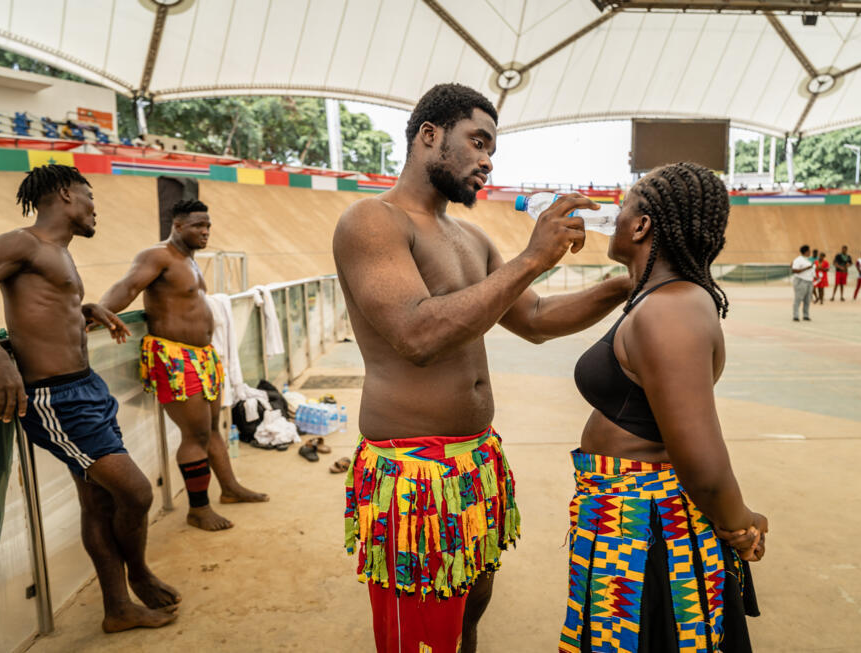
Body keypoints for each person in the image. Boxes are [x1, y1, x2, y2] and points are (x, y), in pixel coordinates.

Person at [334, 83, 633, 653]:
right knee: (420, 638)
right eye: (477, 141)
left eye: (491, 147)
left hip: (476, 461)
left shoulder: (469, 235)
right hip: (413, 472)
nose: (487, 160)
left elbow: (538, 318)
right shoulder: (371, 221)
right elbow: (416, 335)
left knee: (471, 611)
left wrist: (626, 284)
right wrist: (532, 258)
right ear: (429, 136)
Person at [0, 165, 180, 632]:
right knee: (136, 493)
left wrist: (86, 309)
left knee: (98, 502)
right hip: (56, 400)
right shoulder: (21, 243)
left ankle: (117, 608)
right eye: (89, 196)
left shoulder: (56, 253)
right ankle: (136, 573)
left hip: (86, 387)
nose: (95, 207)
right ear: (64, 194)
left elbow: (43, 309)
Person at [561, 162, 763, 652]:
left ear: (642, 224)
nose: (613, 213)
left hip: (650, 531)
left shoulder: (671, 308)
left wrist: (740, 521)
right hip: (625, 523)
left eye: (623, 204)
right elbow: (534, 319)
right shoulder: (657, 298)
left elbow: (701, 461)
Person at [99, 199, 268, 532]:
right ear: (177, 226)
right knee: (196, 435)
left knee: (213, 428)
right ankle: (198, 509)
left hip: (203, 357)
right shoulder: (158, 256)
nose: (205, 232)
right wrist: (99, 312)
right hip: (174, 357)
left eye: (208, 226)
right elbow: (128, 287)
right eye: (197, 226)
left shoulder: (188, 261)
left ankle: (230, 488)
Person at [791, 245, 815, 321]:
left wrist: (814, 276)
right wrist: (806, 268)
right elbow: (794, 270)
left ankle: (806, 315)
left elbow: (811, 270)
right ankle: (796, 315)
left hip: (809, 281)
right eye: (809, 250)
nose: (810, 252)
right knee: (798, 299)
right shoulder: (798, 260)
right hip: (801, 281)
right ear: (805, 251)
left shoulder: (809, 260)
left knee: (807, 299)